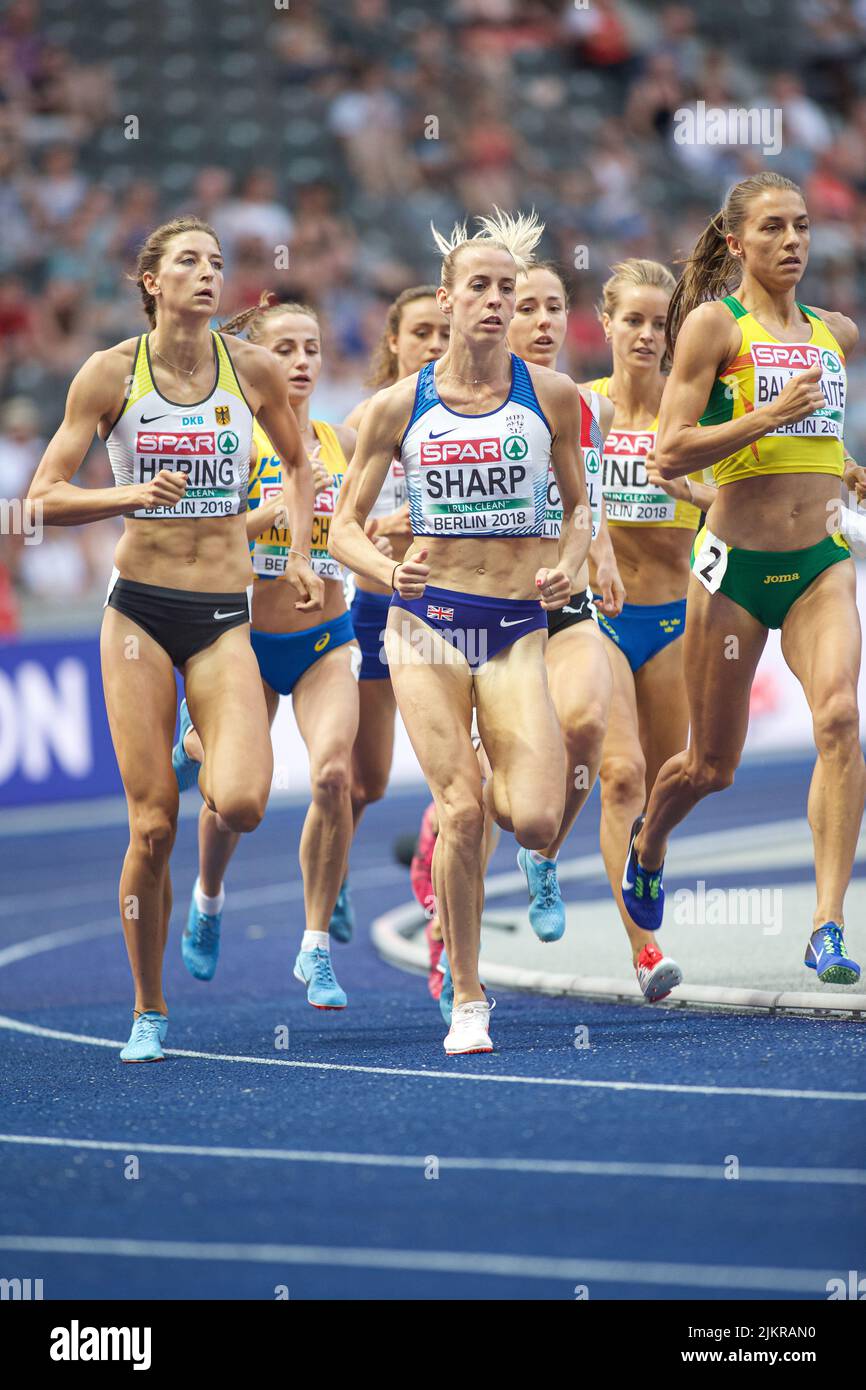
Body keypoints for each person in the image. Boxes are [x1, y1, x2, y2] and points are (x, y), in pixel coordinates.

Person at [26, 218, 320, 1061]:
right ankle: (148, 1008)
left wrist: (298, 552)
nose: (207, 273)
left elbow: (298, 467)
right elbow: (43, 494)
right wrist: (127, 497)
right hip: (140, 615)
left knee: (246, 802)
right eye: (188, 261)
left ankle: (201, 728)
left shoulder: (253, 371)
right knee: (152, 826)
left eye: (217, 263)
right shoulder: (111, 373)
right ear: (150, 279)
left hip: (224, 614)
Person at [330, 209, 592, 1055]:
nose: (494, 301)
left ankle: (530, 861)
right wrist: (383, 570)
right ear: (445, 299)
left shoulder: (549, 395)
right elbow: (341, 528)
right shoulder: (395, 406)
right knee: (463, 807)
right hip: (427, 623)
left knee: (537, 817)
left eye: (506, 290)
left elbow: (582, 508)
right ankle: (469, 996)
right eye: (478, 286)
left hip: (517, 623)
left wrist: (575, 562)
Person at [622, 171, 864, 987]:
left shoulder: (838, 332)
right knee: (709, 767)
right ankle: (650, 842)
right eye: (772, 229)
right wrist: (764, 417)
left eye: (801, 226)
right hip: (734, 572)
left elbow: (819, 435)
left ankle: (827, 923)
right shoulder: (710, 329)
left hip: (821, 565)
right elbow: (669, 451)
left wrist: (851, 469)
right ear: (737, 243)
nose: (792, 241)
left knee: (838, 719)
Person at [172, 295, 366, 1008]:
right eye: (284, 349)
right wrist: (270, 515)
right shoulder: (233, 438)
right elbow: (198, 544)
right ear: (254, 359)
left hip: (325, 640)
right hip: (242, 644)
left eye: (312, 347)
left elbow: (360, 529)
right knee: (229, 805)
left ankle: (313, 947)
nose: (302, 361)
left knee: (334, 776)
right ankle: (209, 896)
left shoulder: (342, 440)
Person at [586, 259, 716, 999]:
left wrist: (688, 486)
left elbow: (734, 505)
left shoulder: (689, 410)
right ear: (604, 323)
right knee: (622, 776)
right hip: (601, 619)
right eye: (631, 320)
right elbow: (561, 508)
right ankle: (645, 951)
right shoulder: (582, 407)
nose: (645, 334)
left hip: (676, 620)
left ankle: (648, 856)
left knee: (676, 778)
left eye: (659, 323)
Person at [330, 286, 449, 941]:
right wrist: (388, 527)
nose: (435, 345)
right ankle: (333, 870)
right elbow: (337, 526)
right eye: (422, 333)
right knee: (368, 780)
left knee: (459, 766)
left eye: (444, 334)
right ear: (394, 343)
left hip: (453, 609)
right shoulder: (362, 424)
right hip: (378, 606)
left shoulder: (475, 414)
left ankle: (442, 867)